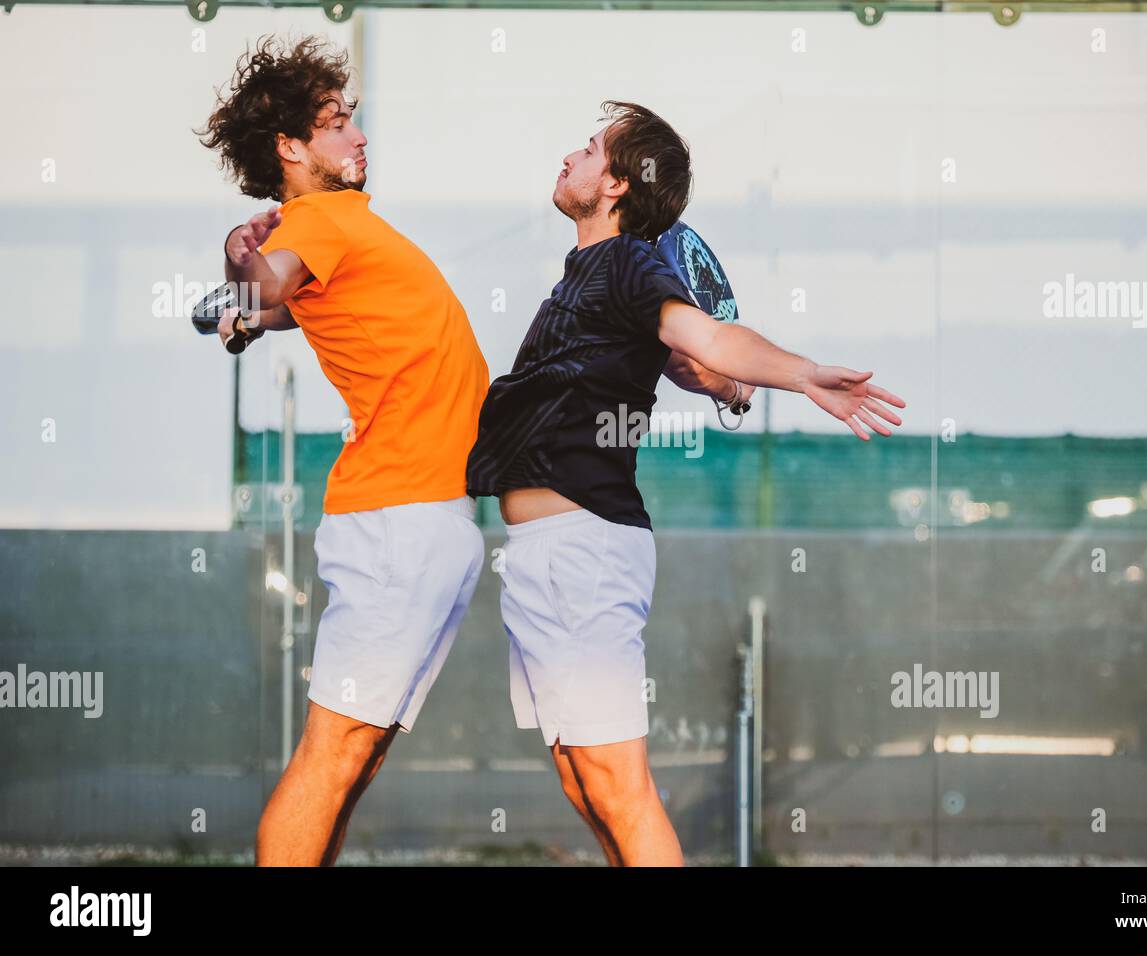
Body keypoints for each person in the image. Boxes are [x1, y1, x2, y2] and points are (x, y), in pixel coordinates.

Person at [466, 101, 906, 866]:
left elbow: (705, 335)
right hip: (544, 554)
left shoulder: (632, 261)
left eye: (591, 147)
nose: (570, 154)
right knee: (584, 780)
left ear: (618, 184)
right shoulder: (593, 276)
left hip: (583, 554)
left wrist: (802, 376)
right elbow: (679, 356)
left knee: (618, 786)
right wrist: (721, 387)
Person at [197, 35, 489, 865]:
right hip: (397, 520)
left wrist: (247, 287)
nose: (358, 136)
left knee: (355, 760)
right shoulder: (315, 220)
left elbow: (279, 305)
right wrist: (245, 267)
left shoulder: (338, 226)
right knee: (332, 760)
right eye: (335, 124)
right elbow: (271, 285)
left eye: (352, 120)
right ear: (291, 148)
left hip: (424, 517)